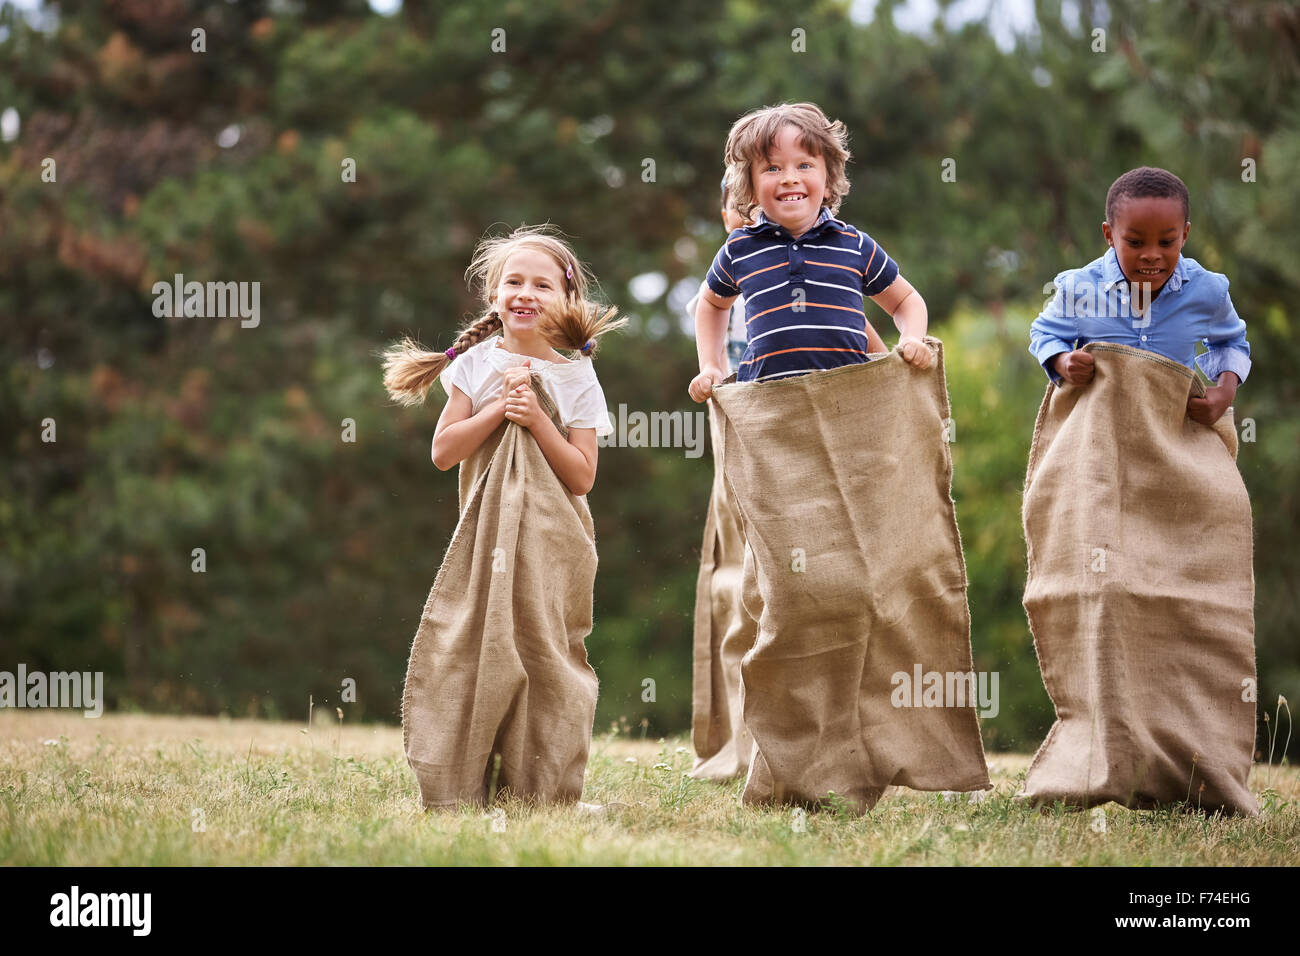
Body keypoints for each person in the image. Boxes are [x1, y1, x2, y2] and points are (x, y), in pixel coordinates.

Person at [381, 224, 624, 810]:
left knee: (546, 655)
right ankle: (459, 787)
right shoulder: (473, 366)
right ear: (494, 294)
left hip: (554, 543)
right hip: (487, 539)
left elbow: (582, 476)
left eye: (542, 284)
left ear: (566, 300)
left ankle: (541, 791)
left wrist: (538, 419)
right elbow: (444, 452)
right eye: (513, 280)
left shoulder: (575, 376)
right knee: (479, 652)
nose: (526, 292)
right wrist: (496, 410)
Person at [689, 101, 929, 403]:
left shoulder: (853, 244)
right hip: (768, 410)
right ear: (750, 186)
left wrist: (912, 338)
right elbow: (711, 303)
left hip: (851, 402)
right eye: (772, 168)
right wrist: (710, 365)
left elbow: (906, 300)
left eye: (804, 165)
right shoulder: (739, 249)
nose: (789, 177)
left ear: (828, 181)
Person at [1029, 165, 1250, 416]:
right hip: (1098, 435)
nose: (1151, 255)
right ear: (1109, 235)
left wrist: (1224, 393)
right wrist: (1063, 361)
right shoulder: (1081, 289)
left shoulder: (1207, 290)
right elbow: (1044, 332)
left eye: (1166, 242)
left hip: (1174, 436)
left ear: (1185, 235)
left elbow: (1232, 341)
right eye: (1135, 243)